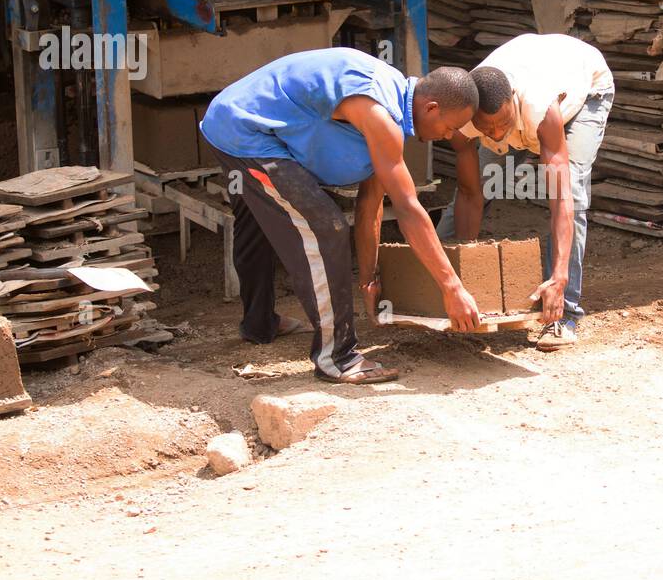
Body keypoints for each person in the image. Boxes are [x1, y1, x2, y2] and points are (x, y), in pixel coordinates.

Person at [200, 48, 484, 384]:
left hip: (233, 117)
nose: (448, 137)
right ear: (431, 107)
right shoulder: (380, 115)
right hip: (245, 131)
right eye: (450, 127)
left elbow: (369, 208)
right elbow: (408, 208)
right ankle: (337, 357)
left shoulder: (391, 100)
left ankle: (259, 323)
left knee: (260, 217)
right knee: (325, 226)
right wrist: (452, 287)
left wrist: (368, 279)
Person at [440, 33, 615, 351]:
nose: (495, 134)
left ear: (513, 102)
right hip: (531, 79)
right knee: (475, 184)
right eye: (486, 128)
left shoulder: (540, 108)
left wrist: (558, 275)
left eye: (502, 123)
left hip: (587, 88)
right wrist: (458, 277)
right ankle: (433, 292)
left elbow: (561, 199)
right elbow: (470, 194)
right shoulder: (465, 119)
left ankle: (563, 313)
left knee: (572, 190)